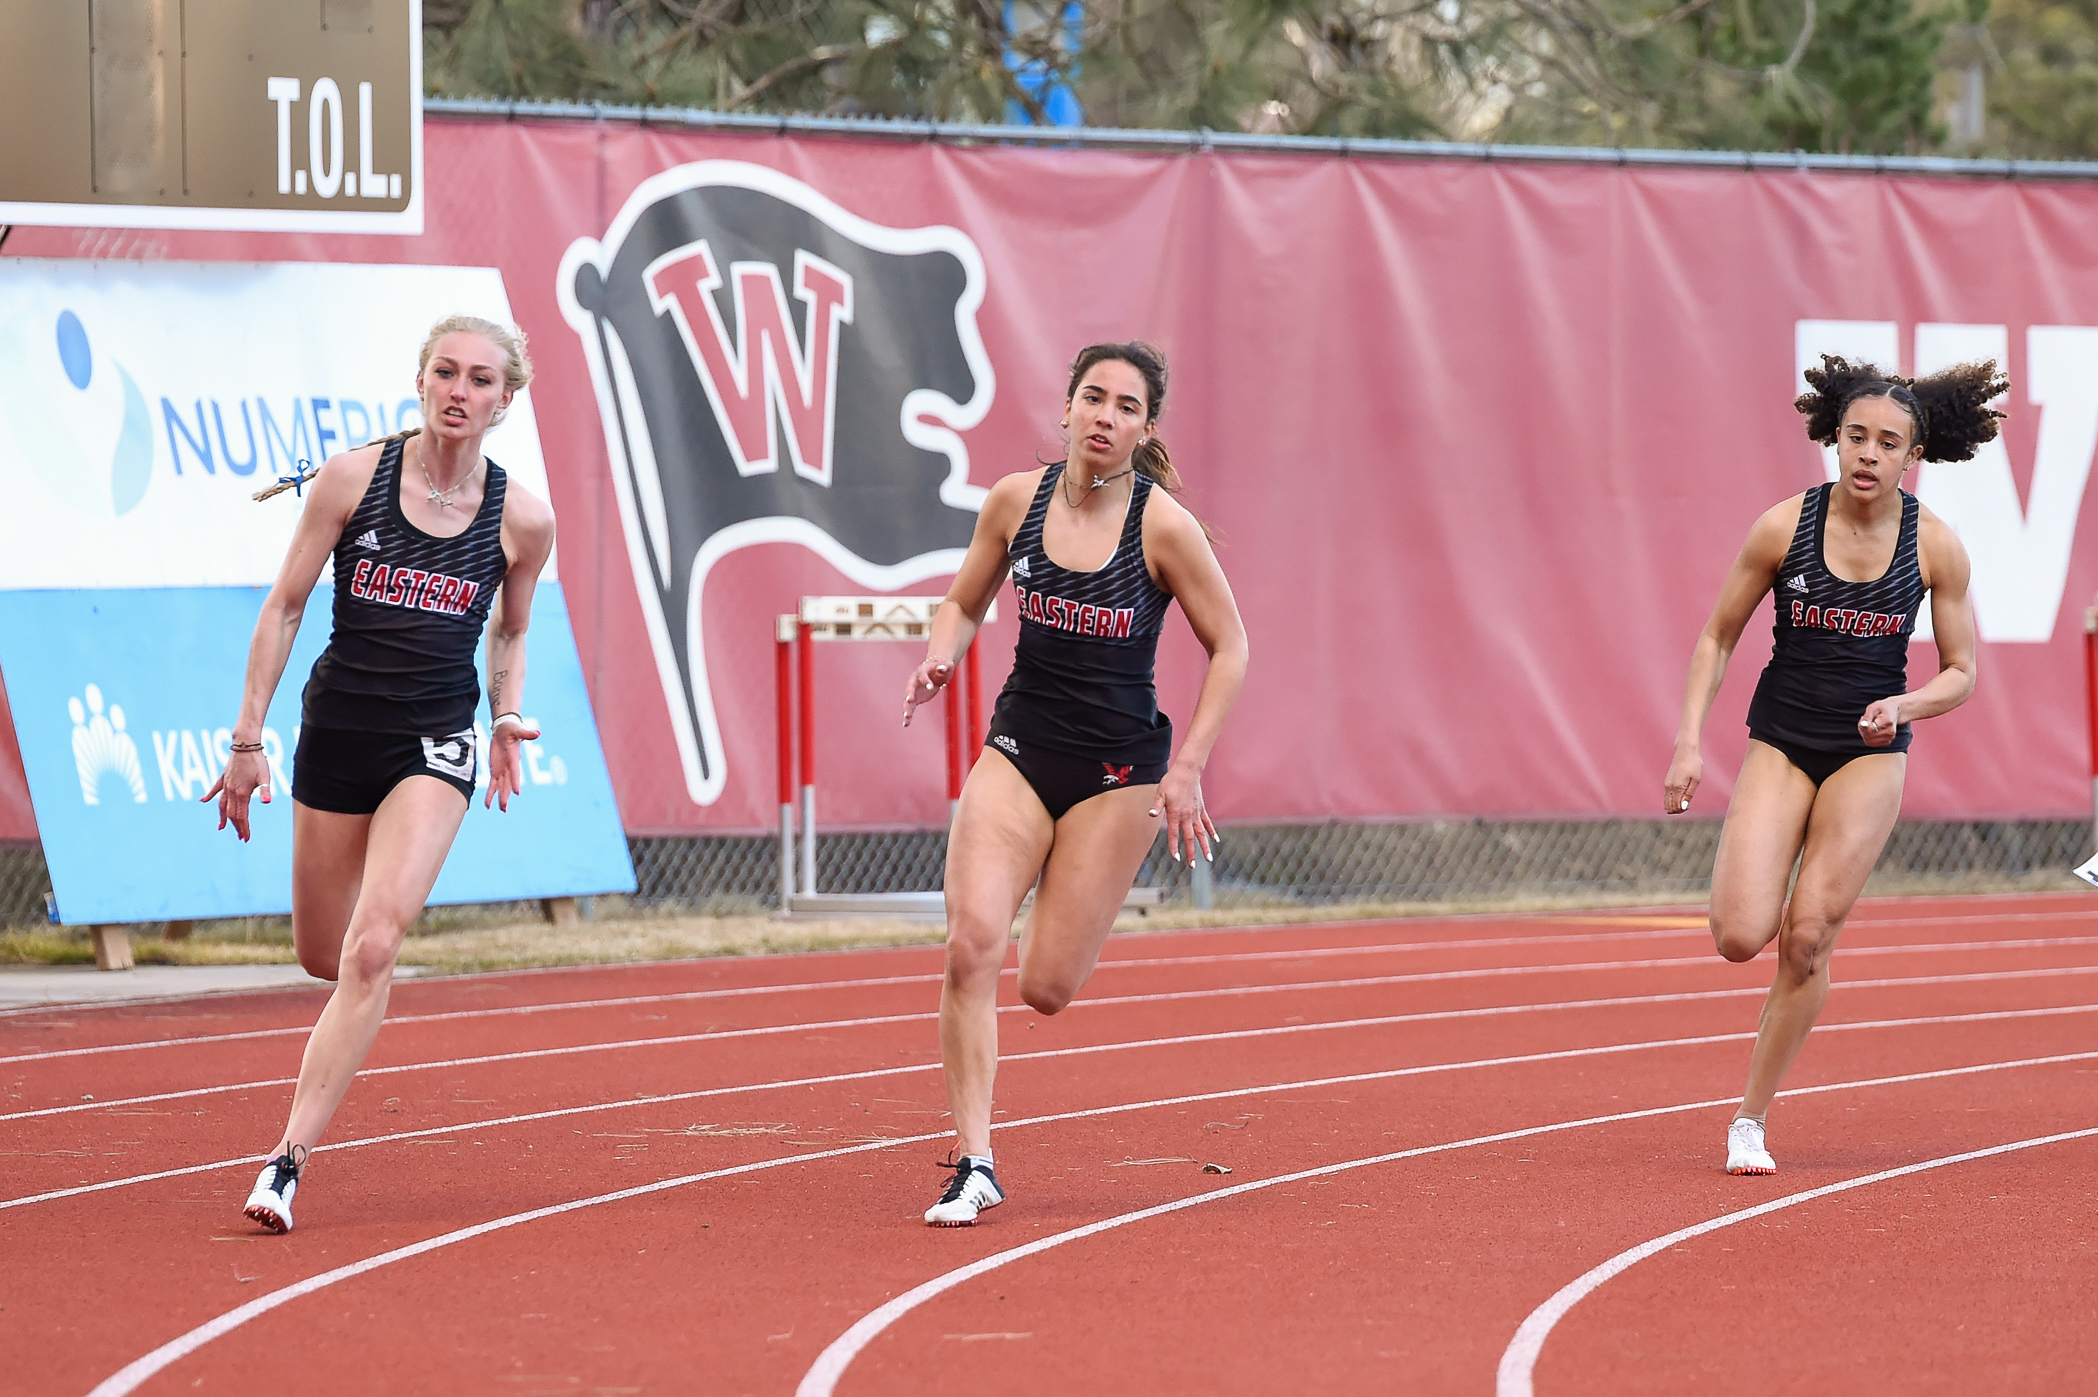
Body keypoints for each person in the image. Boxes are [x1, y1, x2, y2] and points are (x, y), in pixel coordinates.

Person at [205, 315, 556, 1233]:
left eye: (481, 379)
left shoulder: (521, 518)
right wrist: (249, 739)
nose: (459, 391)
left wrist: (506, 712)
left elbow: (510, 630)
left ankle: (285, 1161)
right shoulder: (353, 479)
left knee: (372, 945)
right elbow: (284, 609)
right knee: (325, 954)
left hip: (435, 743)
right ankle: (360, 981)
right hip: (339, 731)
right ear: (420, 380)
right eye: (446, 372)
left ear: (506, 401)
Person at [901, 341, 1249, 1226]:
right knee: (972, 941)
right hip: (1019, 751)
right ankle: (974, 1160)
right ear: (1066, 408)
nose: (1105, 416)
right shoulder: (1015, 499)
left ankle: (1074, 879)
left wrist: (1189, 768)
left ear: (1145, 427)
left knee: (1044, 986)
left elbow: (1232, 647)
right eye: (1093, 398)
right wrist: (943, 654)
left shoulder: (1163, 526)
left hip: (1117, 772)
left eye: (1125, 406)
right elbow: (964, 600)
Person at [1666, 355, 2000, 1176]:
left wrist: (1905, 705)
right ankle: (1789, 959)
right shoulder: (1784, 526)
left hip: (1870, 752)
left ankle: (1750, 1117)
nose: (1868, 453)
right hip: (1781, 740)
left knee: (1806, 936)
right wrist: (1687, 740)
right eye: (1856, 436)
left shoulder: (1937, 549)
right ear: (1833, 438)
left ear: (1911, 455)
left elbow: (1961, 671)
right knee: (1741, 934)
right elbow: (1717, 635)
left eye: (1888, 442)